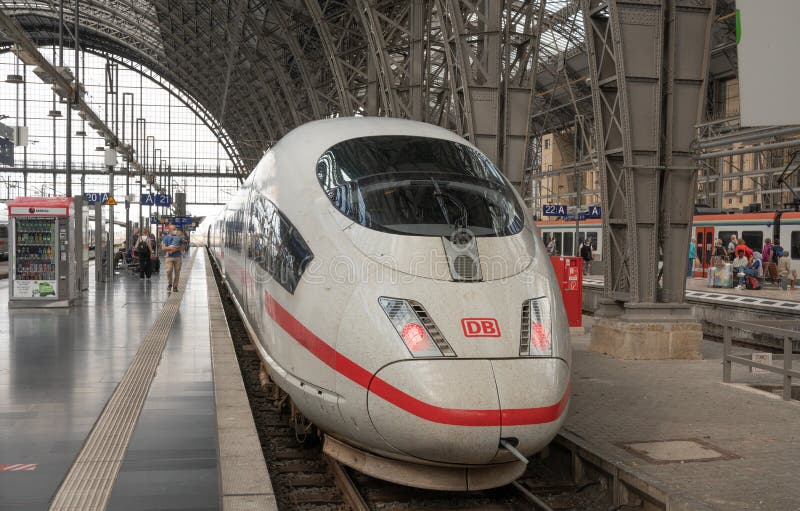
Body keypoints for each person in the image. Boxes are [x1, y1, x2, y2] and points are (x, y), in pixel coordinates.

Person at [162, 225, 184, 292]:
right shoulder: (166, 238)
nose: (175, 230)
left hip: (178, 257)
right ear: (169, 230)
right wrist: (171, 248)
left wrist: (175, 249)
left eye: (175, 229)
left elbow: (182, 247)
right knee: (169, 271)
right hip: (169, 257)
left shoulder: (179, 238)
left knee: (177, 272)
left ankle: (175, 286)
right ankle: (169, 284)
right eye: (173, 229)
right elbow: (163, 248)